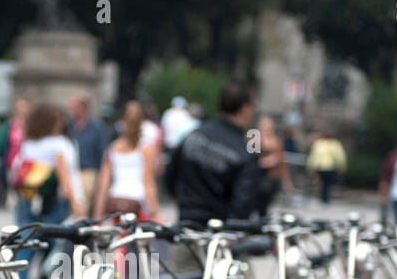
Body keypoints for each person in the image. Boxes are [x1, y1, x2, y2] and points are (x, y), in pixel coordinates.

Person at [163, 80, 266, 225]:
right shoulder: (245, 153)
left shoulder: (194, 135)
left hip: (185, 229)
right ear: (245, 108)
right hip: (218, 237)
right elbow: (243, 206)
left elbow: (170, 176)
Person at [11, 102, 85, 279]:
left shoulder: (29, 143)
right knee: (55, 239)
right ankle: (47, 276)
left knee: (26, 242)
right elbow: (64, 175)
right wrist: (76, 200)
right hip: (53, 201)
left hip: (28, 199)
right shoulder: (59, 143)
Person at [93, 100, 159, 220]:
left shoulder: (113, 147)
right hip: (137, 201)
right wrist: (155, 212)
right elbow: (148, 182)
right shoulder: (146, 148)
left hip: (115, 199)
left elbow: (103, 183)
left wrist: (98, 214)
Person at [68, 93, 109, 218]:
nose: (71, 109)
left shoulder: (96, 126)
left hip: (88, 171)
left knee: (82, 206)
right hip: (70, 171)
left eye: (74, 106)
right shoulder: (68, 125)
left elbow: (102, 152)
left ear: (83, 107)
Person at [255, 114, 290, 212]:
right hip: (257, 179)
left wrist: (286, 182)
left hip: (270, 179)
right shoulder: (255, 140)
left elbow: (281, 162)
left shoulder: (276, 142)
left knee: (265, 206)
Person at [306, 125, 346, 203]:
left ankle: (323, 197)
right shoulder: (335, 144)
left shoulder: (319, 143)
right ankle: (326, 198)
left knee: (323, 183)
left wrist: (311, 166)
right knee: (327, 184)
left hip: (321, 167)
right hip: (330, 167)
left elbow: (314, 156)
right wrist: (342, 167)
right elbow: (340, 157)